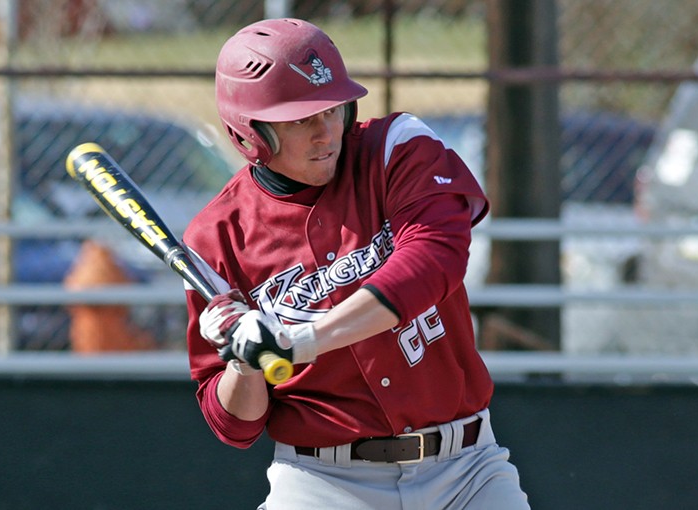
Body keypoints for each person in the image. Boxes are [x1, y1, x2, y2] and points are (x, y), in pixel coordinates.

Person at [182, 17, 530, 510]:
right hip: (323, 482)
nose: (326, 133)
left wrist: (300, 339)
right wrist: (246, 359)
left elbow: (434, 261)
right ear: (250, 132)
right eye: (301, 119)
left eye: (334, 109)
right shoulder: (217, 237)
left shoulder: (396, 148)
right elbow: (235, 426)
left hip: (465, 470)